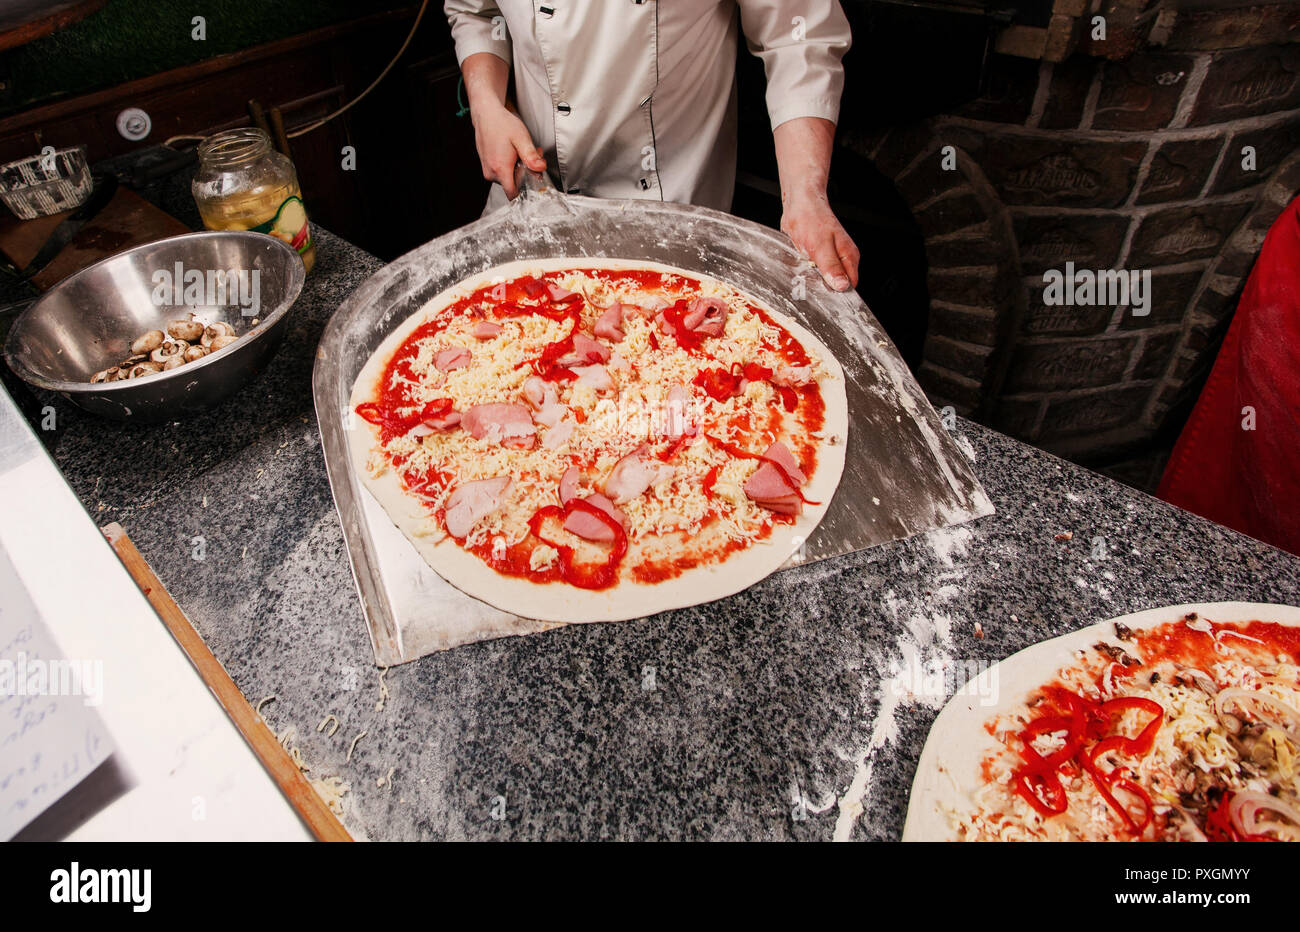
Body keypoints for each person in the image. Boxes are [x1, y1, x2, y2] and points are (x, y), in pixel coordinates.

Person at [444, 0, 859, 292]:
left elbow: (797, 34)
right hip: (527, 197)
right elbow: (480, 11)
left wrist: (805, 194)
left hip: (668, 229)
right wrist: (486, 106)